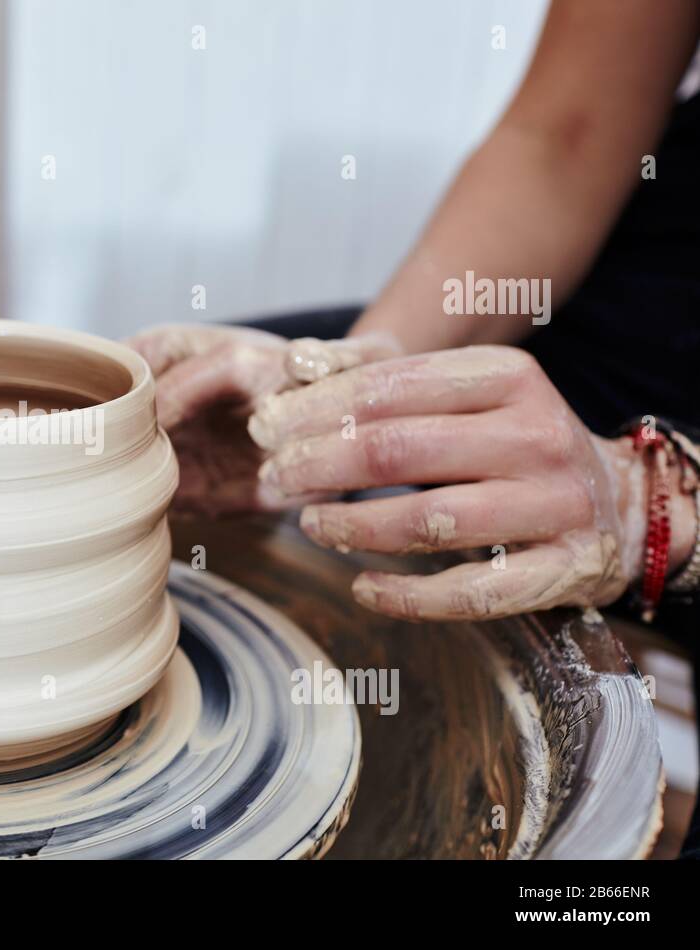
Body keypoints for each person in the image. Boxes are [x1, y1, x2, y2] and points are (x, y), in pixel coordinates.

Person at [127, 0, 700, 855]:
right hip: (668, 269)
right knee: (203, 396)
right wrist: (353, 382)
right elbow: (564, 136)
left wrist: (651, 510)